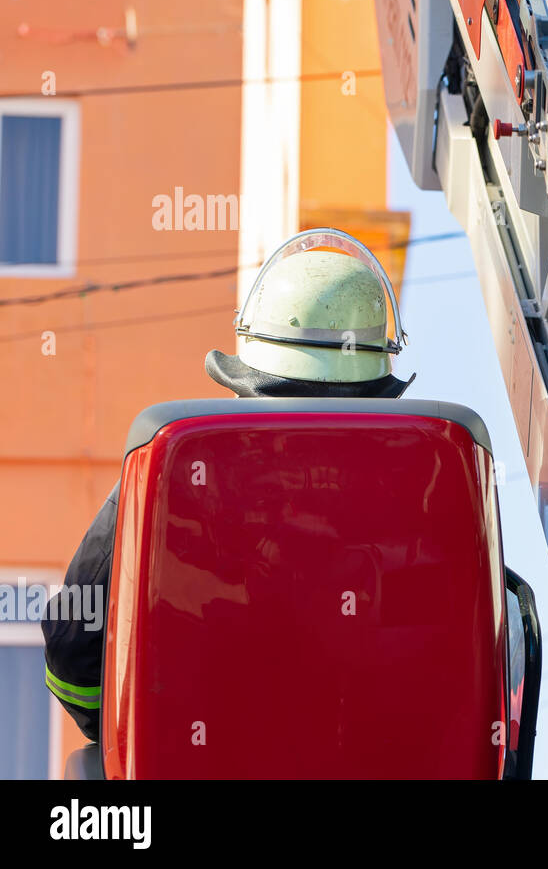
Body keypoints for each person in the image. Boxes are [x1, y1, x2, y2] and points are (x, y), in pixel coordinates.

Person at [42, 229, 414, 741]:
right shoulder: (423, 495)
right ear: (375, 388)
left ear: (246, 382)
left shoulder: (172, 470)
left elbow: (72, 656)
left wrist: (132, 734)